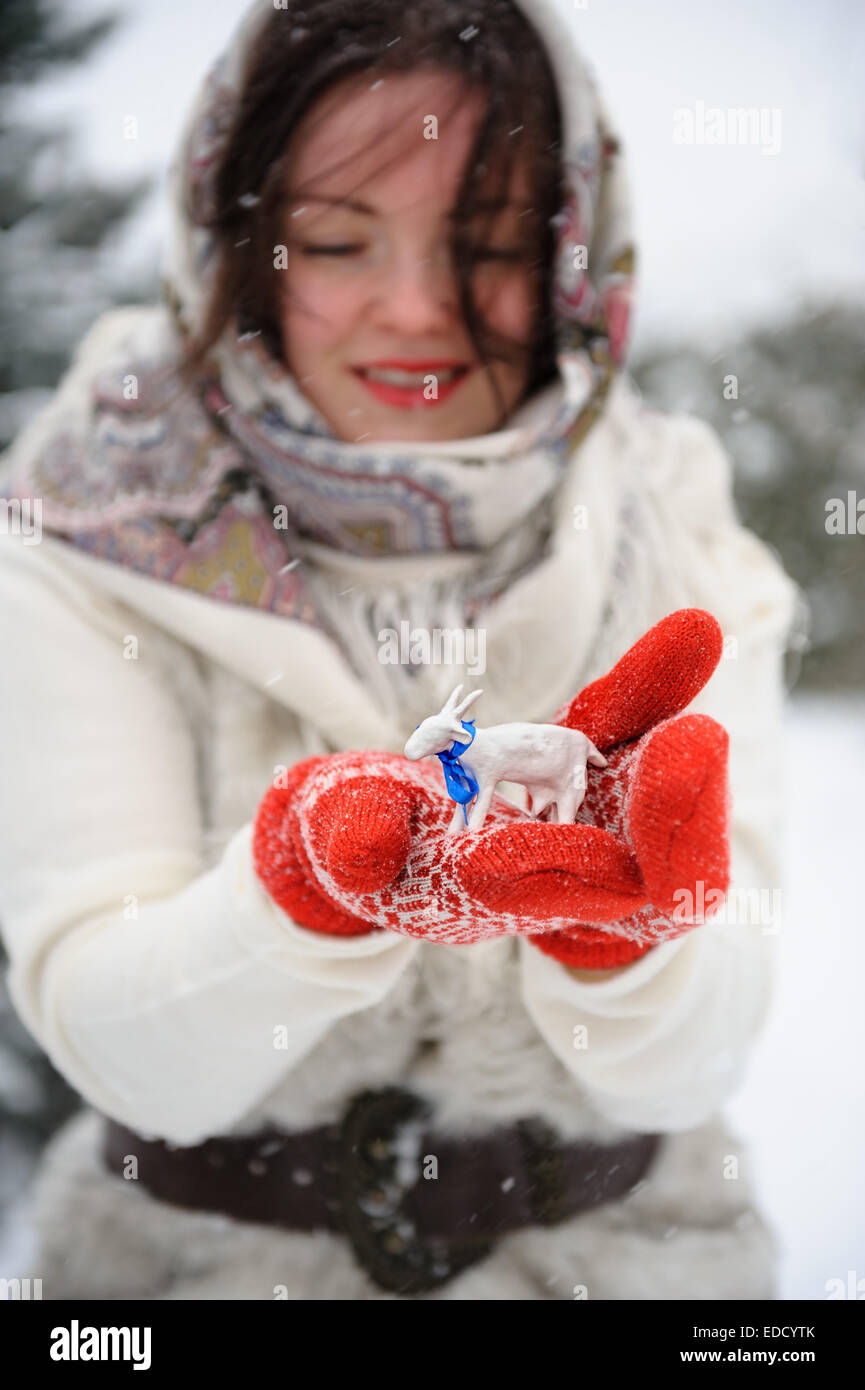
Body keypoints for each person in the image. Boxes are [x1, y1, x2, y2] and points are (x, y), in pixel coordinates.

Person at [0, 0, 804, 1300]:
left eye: (485, 243)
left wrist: (626, 942)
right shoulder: (92, 516)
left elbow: (703, 1058)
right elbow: (116, 1037)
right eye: (333, 239)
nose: (417, 309)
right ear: (234, 238)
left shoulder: (679, 520)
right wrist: (298, 896)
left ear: (573, 249)